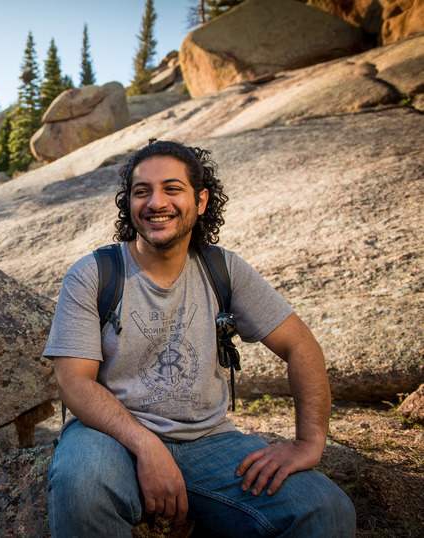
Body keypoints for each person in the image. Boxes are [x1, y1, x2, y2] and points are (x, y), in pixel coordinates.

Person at [43, 140, 355, 537]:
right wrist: (146, 445)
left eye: (172, 189)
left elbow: (301, 346)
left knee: (325, 510)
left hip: (208, 442)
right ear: (129, 203)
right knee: (82, 487)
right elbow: (74, 381)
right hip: (109, 436)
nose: (156, 202)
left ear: (201, 200)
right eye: (143, 191)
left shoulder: (223, 269)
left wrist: (309, 443)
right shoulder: (94, 274)